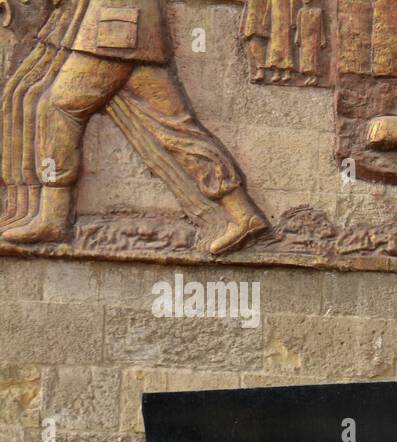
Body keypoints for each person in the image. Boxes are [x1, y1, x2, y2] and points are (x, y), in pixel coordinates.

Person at [1, 0, 267, 254]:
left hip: (116, 28)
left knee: (59, 106)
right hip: (127, 27)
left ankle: (54, 217)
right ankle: (242, 212)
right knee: (175, 128)